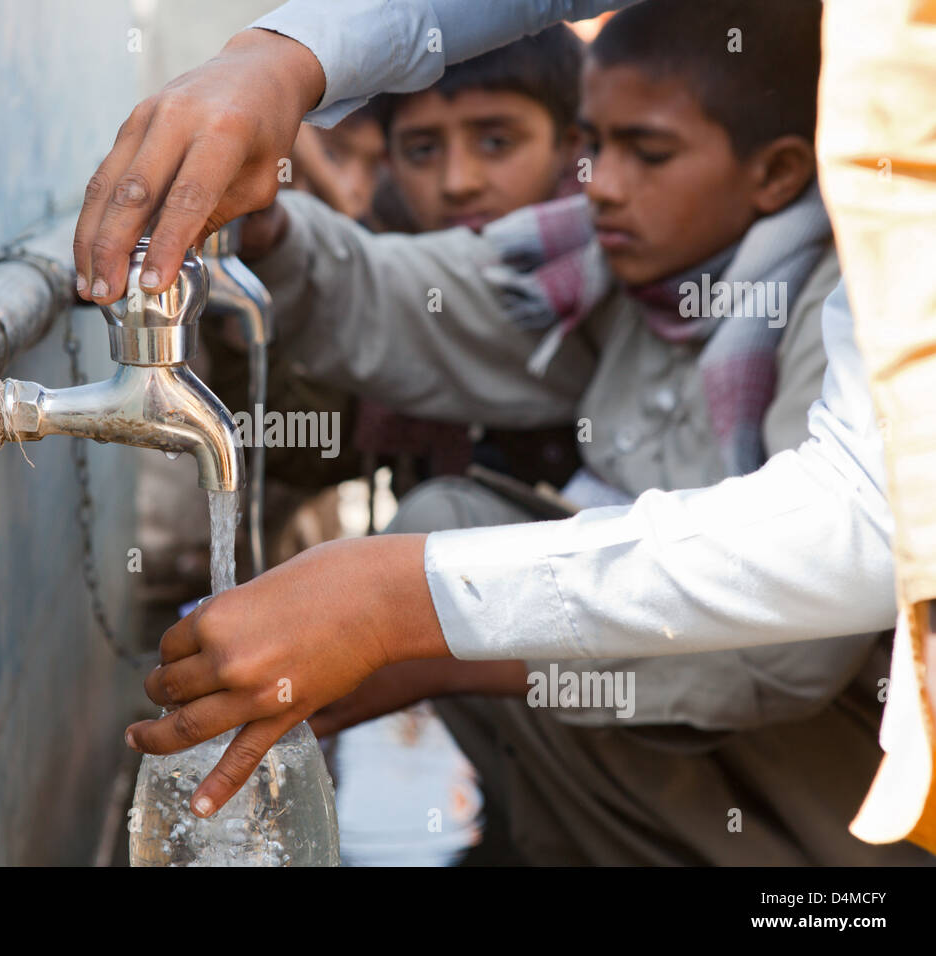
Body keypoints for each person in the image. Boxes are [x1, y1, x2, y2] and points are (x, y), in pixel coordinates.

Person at [73, 0, 932, 857]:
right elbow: (421, 305)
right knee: (452, 537)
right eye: (599, 146)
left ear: (778, 174)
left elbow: (812, 605)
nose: (609, 185)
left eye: (651, 152)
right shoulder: (621, 271)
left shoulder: (854, 300)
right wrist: (280, 103)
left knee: (462, 584)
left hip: (836, 783)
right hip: (708, 732)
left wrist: (415, 623)